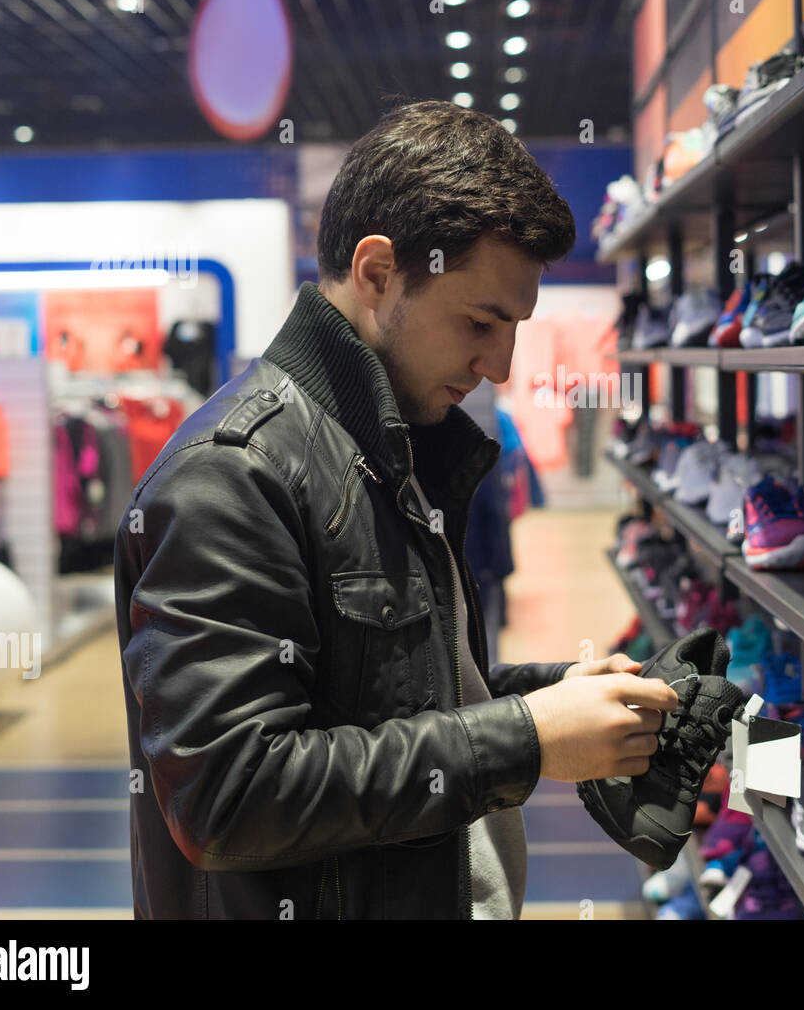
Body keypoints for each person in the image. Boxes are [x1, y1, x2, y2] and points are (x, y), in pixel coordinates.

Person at [113, 101, 678, 919]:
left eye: (514, 327)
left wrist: (552, 696)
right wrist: (527, 737)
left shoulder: (392, 448)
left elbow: (384, 691)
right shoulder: (231, 477)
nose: (502, 365)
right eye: (480, 322)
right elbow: (230, 796)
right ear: (378, 273)